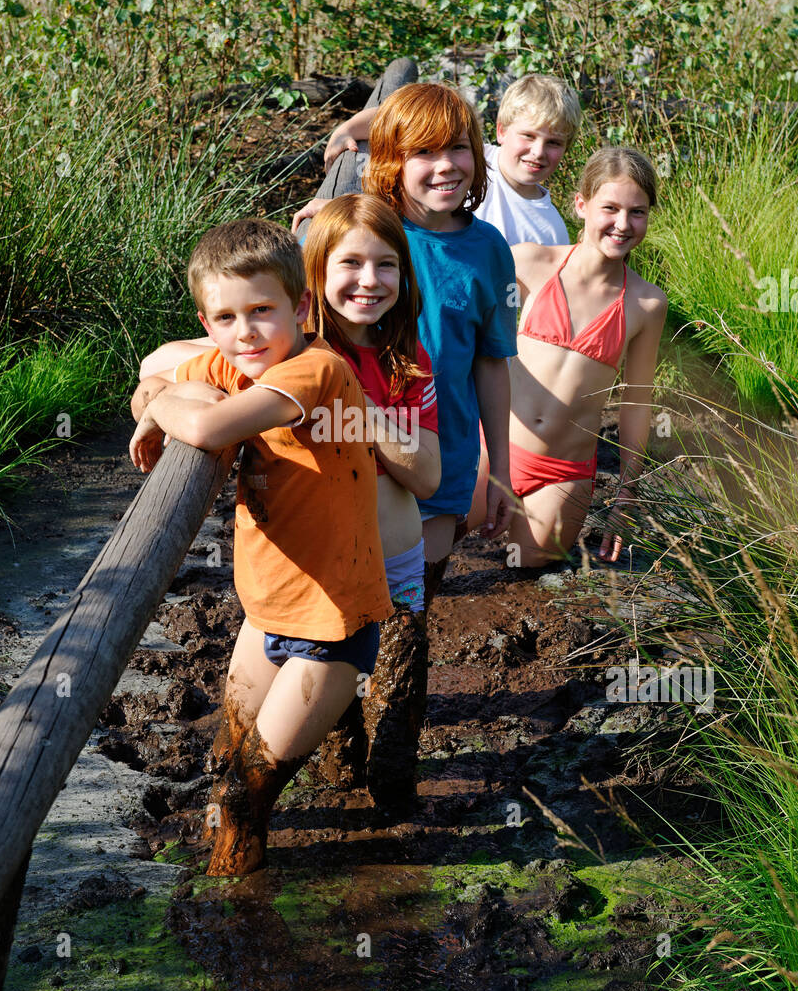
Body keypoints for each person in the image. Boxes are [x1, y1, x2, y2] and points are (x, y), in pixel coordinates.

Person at [151, 83, 518, 604]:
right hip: (338, 454)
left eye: (459, 148)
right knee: (340, 606)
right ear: (394, 159)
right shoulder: (364, 232)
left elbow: (491, 364)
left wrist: (500, 471)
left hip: (435, 454)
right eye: (425, 152)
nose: (446, 166)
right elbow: (275, 319)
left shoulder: (488, 250)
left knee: (405, 616)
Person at [128, 219, 392, 875]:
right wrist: (154, 399)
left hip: (333, 627)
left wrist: (162, 411)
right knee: (228, 753)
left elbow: (208, 421)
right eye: (226, 316)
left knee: (246, 792)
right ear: (206, 321)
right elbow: (151, 381)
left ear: (301, 307)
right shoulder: (228, 360)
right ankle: (228, 878)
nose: (244, 331)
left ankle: (233, 909)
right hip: (265, 613)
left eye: (261, 311)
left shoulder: (316, 371)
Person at [302, 192, 441, 809]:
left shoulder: (406, 360)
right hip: (326, 573)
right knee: (336, 718)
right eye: (350, 264)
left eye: (386, 265)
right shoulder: (292, 353)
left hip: (400, 562)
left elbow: (427, 476)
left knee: (398, 695)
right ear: (316, 272)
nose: (369, 280)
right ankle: (341, 778)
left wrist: (356, 406)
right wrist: (153, 399)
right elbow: (180, 358)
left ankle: (397, 797)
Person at [472, 146, 667, 567]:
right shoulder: (529, 263)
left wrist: (627, 494)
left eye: (637, 212)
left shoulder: (647, 303)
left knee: (525, 569)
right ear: (581, 205)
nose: (622, 224)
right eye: (610, 208)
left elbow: (637, 402)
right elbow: (465, 328)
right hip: (495, 450)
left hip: (563, 472)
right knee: (429, 544)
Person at [313, 72, 581, 250]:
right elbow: (395, 119)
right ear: (501, 130)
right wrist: (345, 130)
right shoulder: (470, 157)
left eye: (554, 143)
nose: (537, 152)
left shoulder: (552, 231)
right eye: (528, 136)